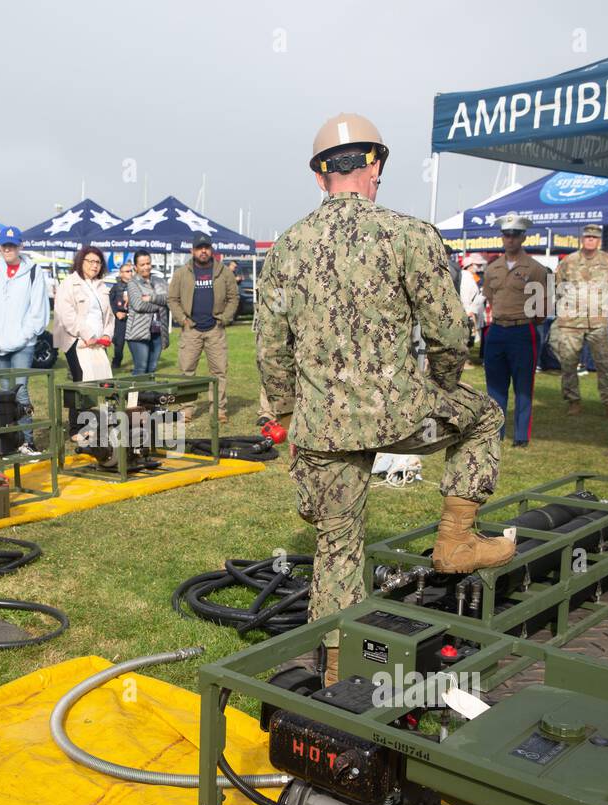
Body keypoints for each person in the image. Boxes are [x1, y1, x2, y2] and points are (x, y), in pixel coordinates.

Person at [256, 112, 512, 685]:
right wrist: (444, 383)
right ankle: (456, 540)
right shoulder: (410, 234)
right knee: (485, 417)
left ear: (320, 176)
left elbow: (271, 350)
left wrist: (293, 419)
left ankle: (334, 671)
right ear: (374, 166)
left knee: (338, 545)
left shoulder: (286, 247)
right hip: (403, 416)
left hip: (322, 425)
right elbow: (450, 333)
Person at [0, 226, 50, 453]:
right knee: (3, 392)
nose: (8, 249)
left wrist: (26, 334)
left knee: (21, 391)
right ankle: (9, 440)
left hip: (22, 344)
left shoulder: (34, 271)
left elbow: (39, 310)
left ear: (20, 246)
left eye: (12, 245)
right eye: (4, 245)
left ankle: (27, 440)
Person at [480, 215, 551, 448]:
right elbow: (490, 297)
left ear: (523, 237)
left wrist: (530, 321)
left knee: (523, 385)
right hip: (497, 330)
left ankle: (521, 436)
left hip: (523, 331)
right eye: (506, 234)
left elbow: (543, 304)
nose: (509, 239)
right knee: (495, 385)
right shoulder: (492, 269)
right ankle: (495, 432)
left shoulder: (536, 269)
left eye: (514, 235)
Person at [168, 233, 239, 423]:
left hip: (215, 329)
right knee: (187, 371)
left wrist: (224, 318)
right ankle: (186, 409)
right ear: (193, 251)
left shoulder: (224, 272)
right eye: (199, 248)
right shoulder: (182, 272)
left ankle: (218, 410)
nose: (203, 251)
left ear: (211, 250)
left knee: (219, 371)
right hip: (191, 329)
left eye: (206, 247)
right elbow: (172, 299)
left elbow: (234, 298)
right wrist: (182, 319)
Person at [553, 224, 608, 419]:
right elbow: (558, 286)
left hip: (598, 322)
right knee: (568, 364)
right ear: (582, 239)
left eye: (594, 237)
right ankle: (573, 401)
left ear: (599, 241)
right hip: (571, 321)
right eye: (587, 237)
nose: (590, 240)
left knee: (605, 364)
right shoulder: (568, 261)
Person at [53, 246, 114, 435]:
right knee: (81, 381)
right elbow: (66, 314)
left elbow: (109, 316)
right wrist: (87, 335)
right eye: (91, 261)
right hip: (76, 341)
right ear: (81, 261)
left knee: (101, 382)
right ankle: (76, 427)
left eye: (98, 262)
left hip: (98, 343)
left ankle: (95, 423)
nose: (95, 266)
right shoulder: (69, 284)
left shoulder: (102, 286)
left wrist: (106, 335)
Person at [125, 249, 169, 375]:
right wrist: (160, 305)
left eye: (148, 263)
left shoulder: (160, 281)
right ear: (136, 267)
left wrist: (151, 298)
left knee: (152, 368)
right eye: (142, 264)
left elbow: (169, 299)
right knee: (141, 368)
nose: (146, 267)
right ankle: (133, 395)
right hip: (138, 332)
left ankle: (147, 394)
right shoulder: (132, 283)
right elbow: (139, 305)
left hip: (158, 332)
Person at [458, 253, 487, 349]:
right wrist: (468, 311)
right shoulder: (466, 278)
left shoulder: (470, 277)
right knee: (467, 339)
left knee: (470, 339)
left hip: (471, 311)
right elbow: (465, 296)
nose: (479, 267)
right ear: (470, 266)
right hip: (468, 312)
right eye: (477, 265)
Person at [109, 260, 133, 370]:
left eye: (131, 271)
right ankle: (116, 362)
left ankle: (139, 363)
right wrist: (116, 312)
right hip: (121, 319)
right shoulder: (115, 287)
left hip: (134, 318)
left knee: (135, 342)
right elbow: (110, 302)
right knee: (119, 343)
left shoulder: (136, 286)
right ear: (121, 273)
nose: (130, 273)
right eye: (127, 271)